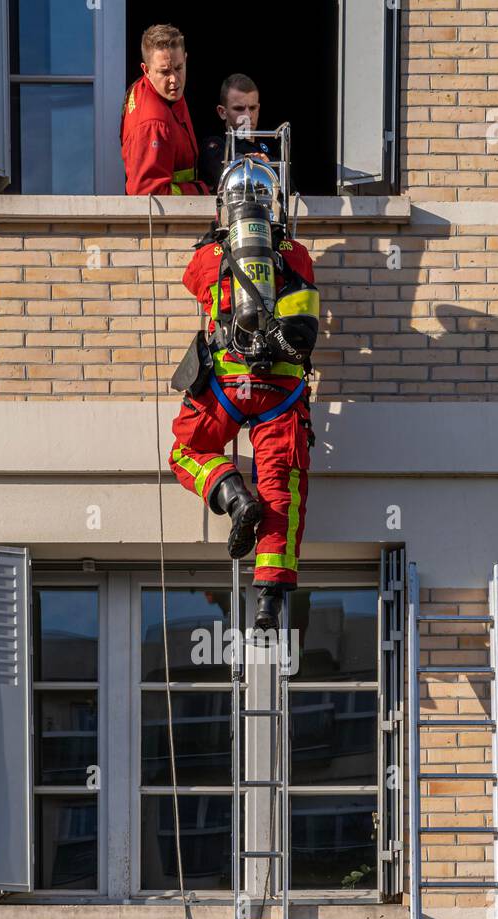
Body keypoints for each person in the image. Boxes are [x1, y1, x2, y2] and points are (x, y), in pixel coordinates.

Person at [167, 159, 320, 632]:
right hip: (282, 389)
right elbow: (306, 307)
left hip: (229, 382)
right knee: (283, 488)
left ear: (223, 209)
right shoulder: (295, 252)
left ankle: (233, 496)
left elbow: (194, 281)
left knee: (187, 451)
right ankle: (268, 601)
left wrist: (218, 243)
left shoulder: (211, 254)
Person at [121, 24, 210, 196]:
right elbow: (147, 196)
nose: (174, 80)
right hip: (168, 220)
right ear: (146, 70)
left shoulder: (160, 91)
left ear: (185, 59)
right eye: (164, 72)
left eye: (178, 68)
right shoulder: (153, 124)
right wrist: (200, 190)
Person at [198, 73, 272, 194]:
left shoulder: (271, 146)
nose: (248, 115)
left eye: (252, 108)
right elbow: (222, 169)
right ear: (222, 112)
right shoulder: (214, 146)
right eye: (239, 108)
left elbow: (291, 188)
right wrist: (257, 163)